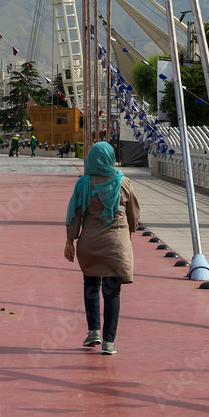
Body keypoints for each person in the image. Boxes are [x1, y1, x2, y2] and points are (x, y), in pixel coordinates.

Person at [63, 141, 140, 354]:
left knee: (91, 285)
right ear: (110, 158)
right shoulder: (123, 183)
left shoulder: (83, 184)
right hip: (115, 246)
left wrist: (70, 241)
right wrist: (129, 233)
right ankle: (109, 342)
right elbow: (134, 216)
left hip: (89, 244)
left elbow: (75, 214)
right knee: (112, 293)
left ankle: (93, 331)